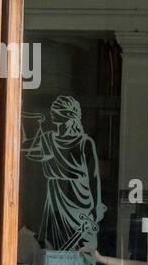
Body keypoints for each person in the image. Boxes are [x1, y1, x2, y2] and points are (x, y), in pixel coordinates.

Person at [22, 95, 106, 250]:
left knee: (82, 248)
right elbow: (26, 148)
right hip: (56, 199)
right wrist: (26, 120)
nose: (58, 122)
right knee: (53, 246)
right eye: (56, 116)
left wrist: (96, 208)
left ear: (71, 117)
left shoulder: (85, 142)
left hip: (80, 200)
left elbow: (94, 178)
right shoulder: (48, 139)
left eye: (61, 116)